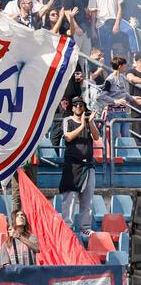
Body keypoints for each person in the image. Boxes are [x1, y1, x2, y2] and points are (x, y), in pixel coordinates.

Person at [58, 97, 98, 238]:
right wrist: (82, 125)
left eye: (81, 105)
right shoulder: (67, 120)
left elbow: (96, 137)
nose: (79, 107)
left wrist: (90, 122)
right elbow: (68, 137)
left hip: (88, 165)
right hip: (72, 166)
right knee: (70, 197)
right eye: (76, 105)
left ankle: (85, 227)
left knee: (88, 199)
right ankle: (67, 227)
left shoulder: (88, 121)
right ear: (72, 107)